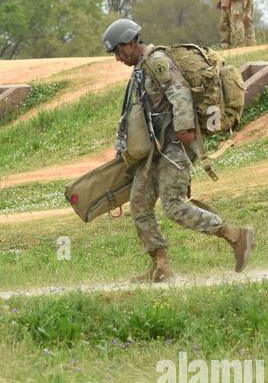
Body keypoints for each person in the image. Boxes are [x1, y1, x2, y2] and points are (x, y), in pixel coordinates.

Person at [102, 19, 254, 283]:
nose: (117, 58)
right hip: (156, 150)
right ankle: (160, 267)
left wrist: (184, 128)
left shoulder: (156, 60)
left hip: (175, 145)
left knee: (173, 205)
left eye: (118, 50)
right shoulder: (140, 68)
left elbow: (179, 91)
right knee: (139, 205)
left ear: (130, 42)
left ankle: (235, 235)